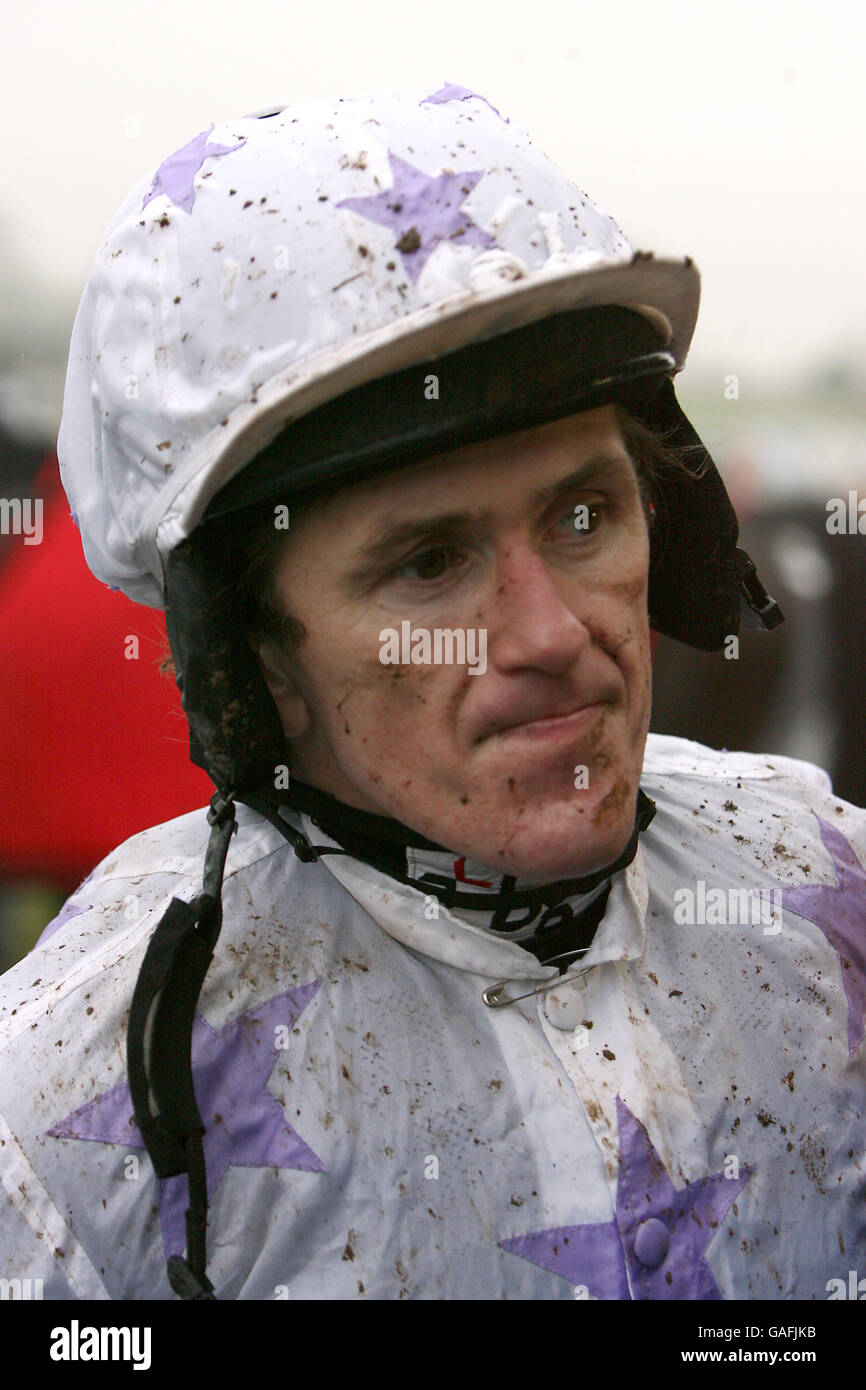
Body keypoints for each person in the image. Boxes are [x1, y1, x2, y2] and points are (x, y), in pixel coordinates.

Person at [1, 83, 863, 1303]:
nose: (551, 633)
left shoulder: (829, 893)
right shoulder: (73, 1112)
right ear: (258, 664)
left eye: (582, 515)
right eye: (427, 562)